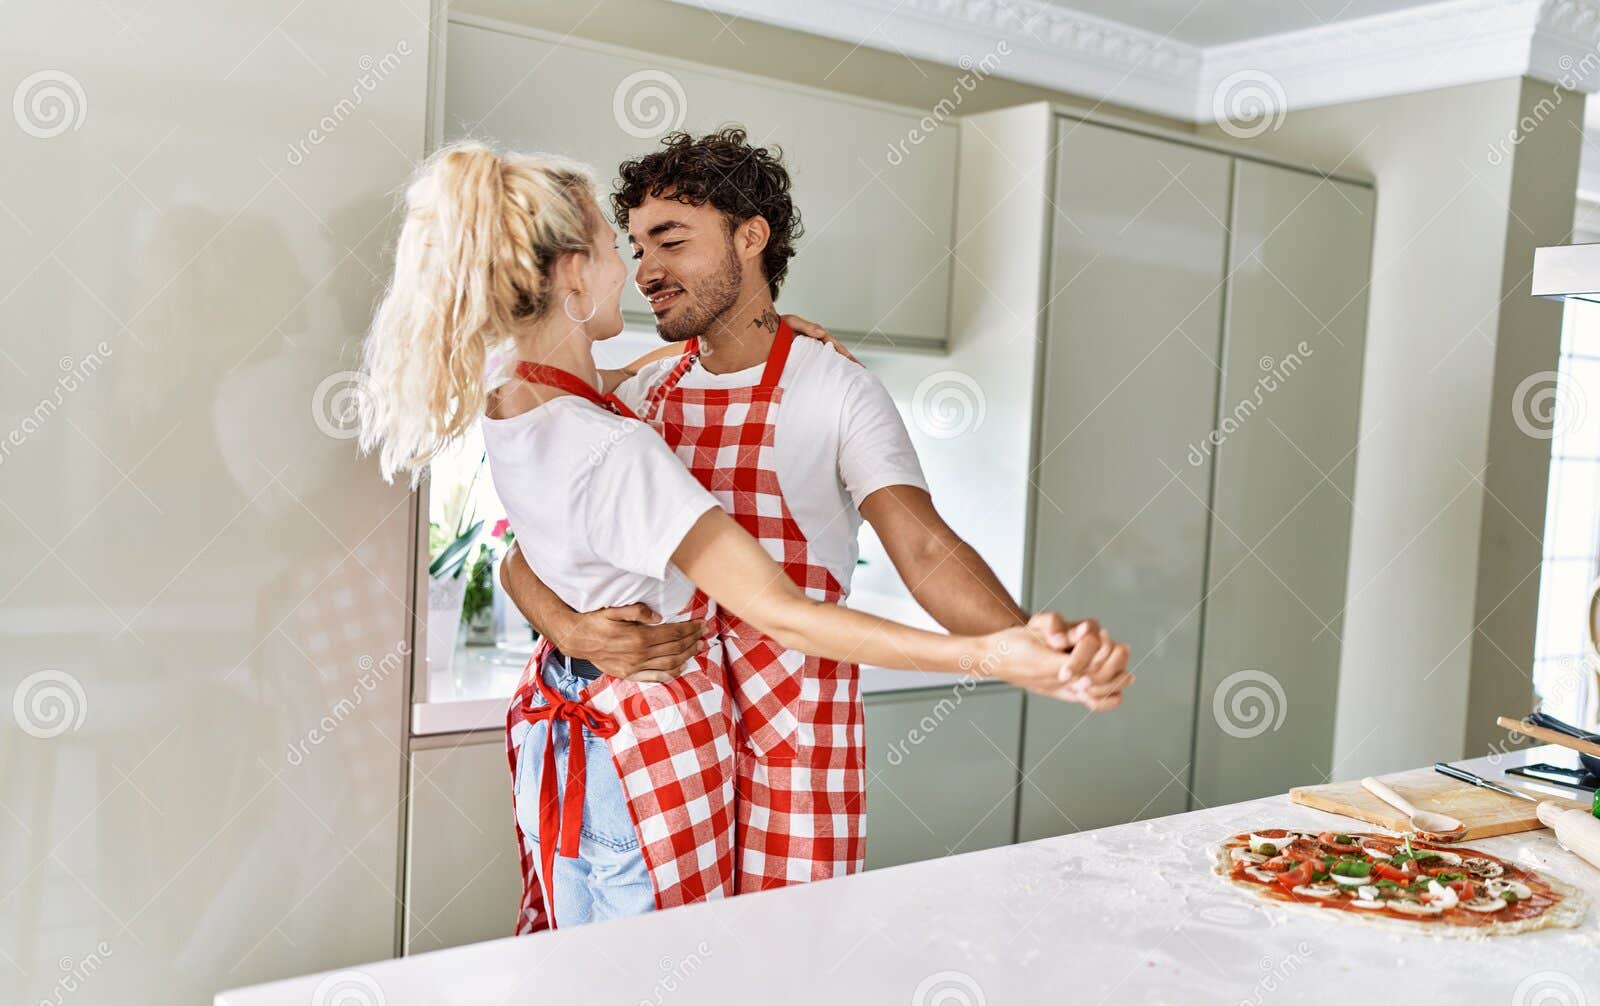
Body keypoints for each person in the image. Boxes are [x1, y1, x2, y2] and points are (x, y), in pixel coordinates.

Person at [356, 143, 1132, 931]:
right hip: (674, 739)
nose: (647, 267)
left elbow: (925, 550)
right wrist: (571, 627)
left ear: (751, 238)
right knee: (672, 991)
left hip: (788, 744)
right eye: (633, 246)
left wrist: (1025, 644)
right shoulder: (643, 393)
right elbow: (524, 547)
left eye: (673, 239)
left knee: (778, 975)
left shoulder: (834, 387)